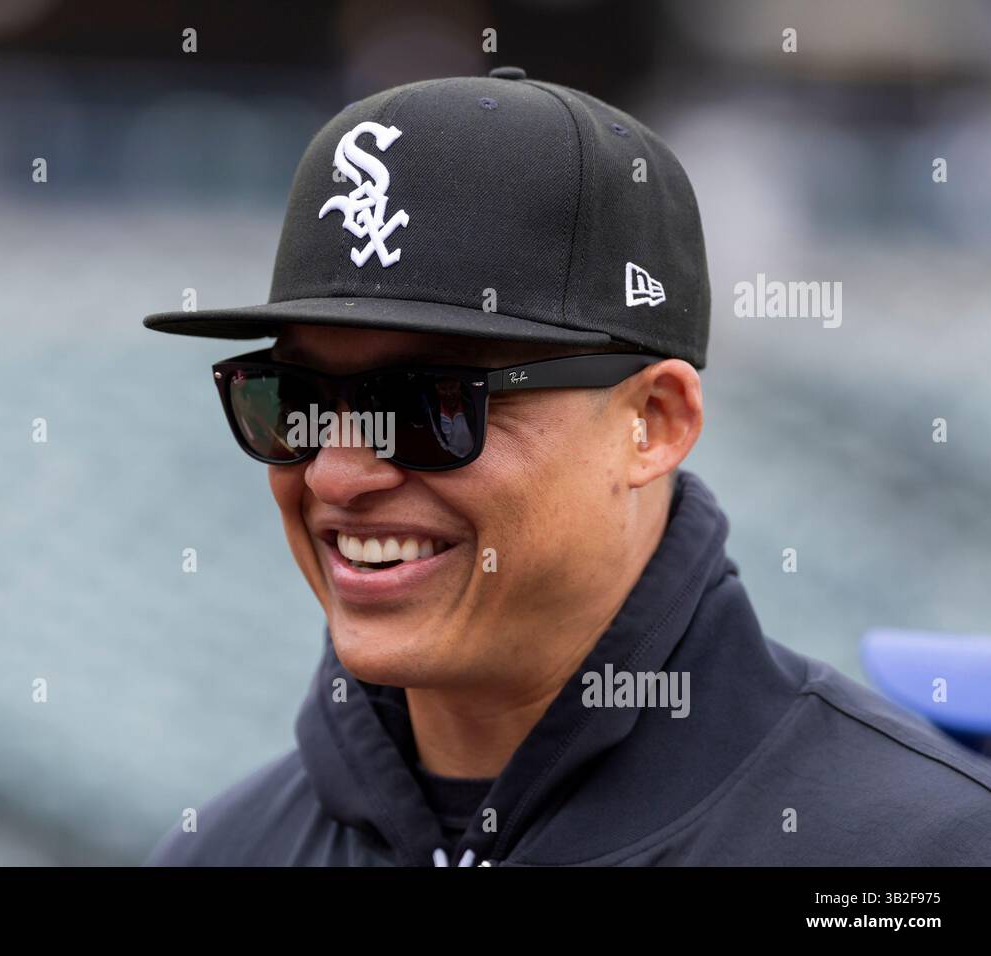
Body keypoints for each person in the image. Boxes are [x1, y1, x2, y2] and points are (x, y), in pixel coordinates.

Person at [141, 68, 991, 866]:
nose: (337, 475)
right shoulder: (223, 851)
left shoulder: (915, 852)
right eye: (296, 399)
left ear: (653, 423)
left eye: (432, 404)